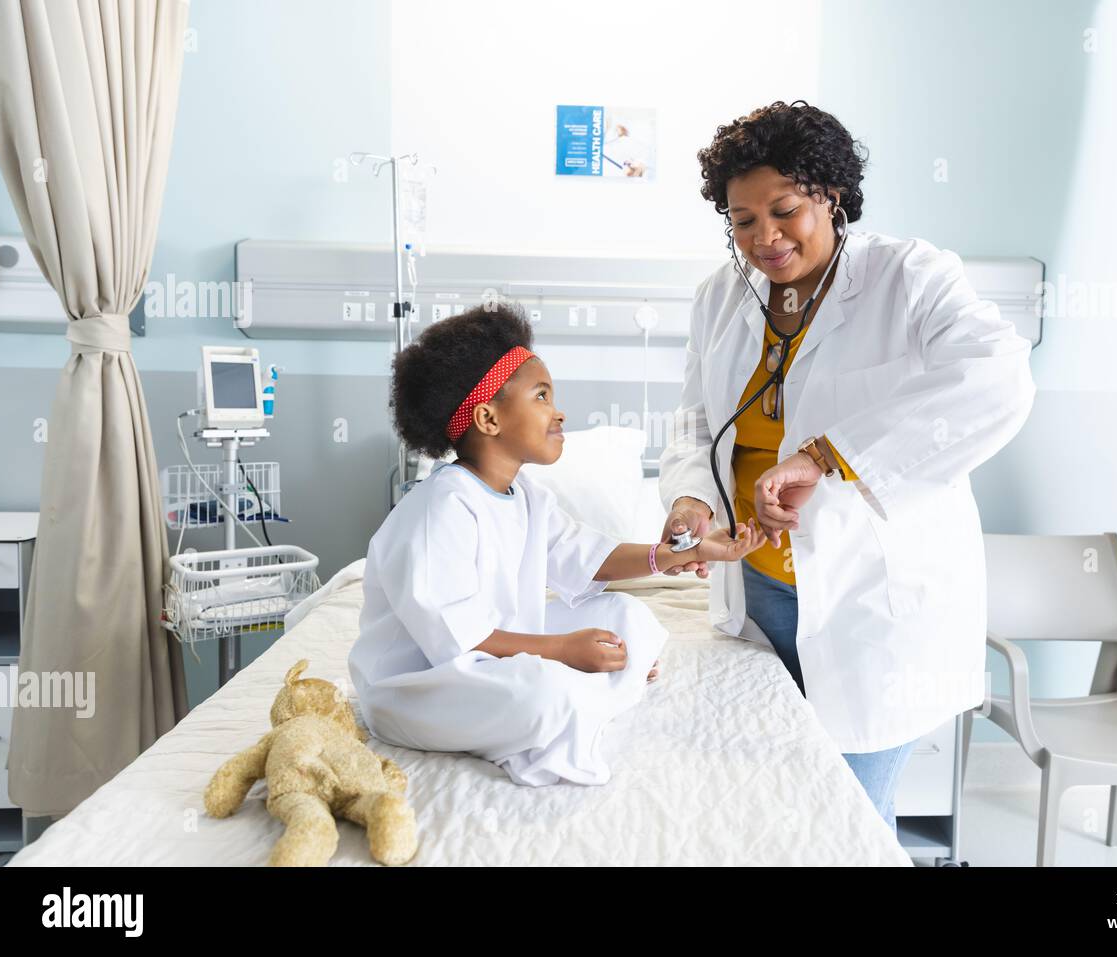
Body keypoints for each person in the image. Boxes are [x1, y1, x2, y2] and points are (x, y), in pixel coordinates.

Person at [658, 101, 1036, 833]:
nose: (764, 237)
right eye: (742, 219)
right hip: (761, 596)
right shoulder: (720, 298)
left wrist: (831, 453)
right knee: (773, 810)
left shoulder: (907, 278)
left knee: (851, 823)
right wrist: (690, 501)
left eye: (785, 209)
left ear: (831, 195)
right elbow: (695, 420)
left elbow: (999, 377)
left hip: (870, 607)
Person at [349, 304, 766, 787]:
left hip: (496, 652)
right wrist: (561, 650)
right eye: (541, 395)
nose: (559, 411)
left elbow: (588, 555)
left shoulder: (524, 496)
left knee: (628, 618)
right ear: (487, 417)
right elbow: (456, 637)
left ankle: (583, 695)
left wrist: (687, 552)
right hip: (420, 684)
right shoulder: (439, 508)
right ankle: (582, 698)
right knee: (542, 694)